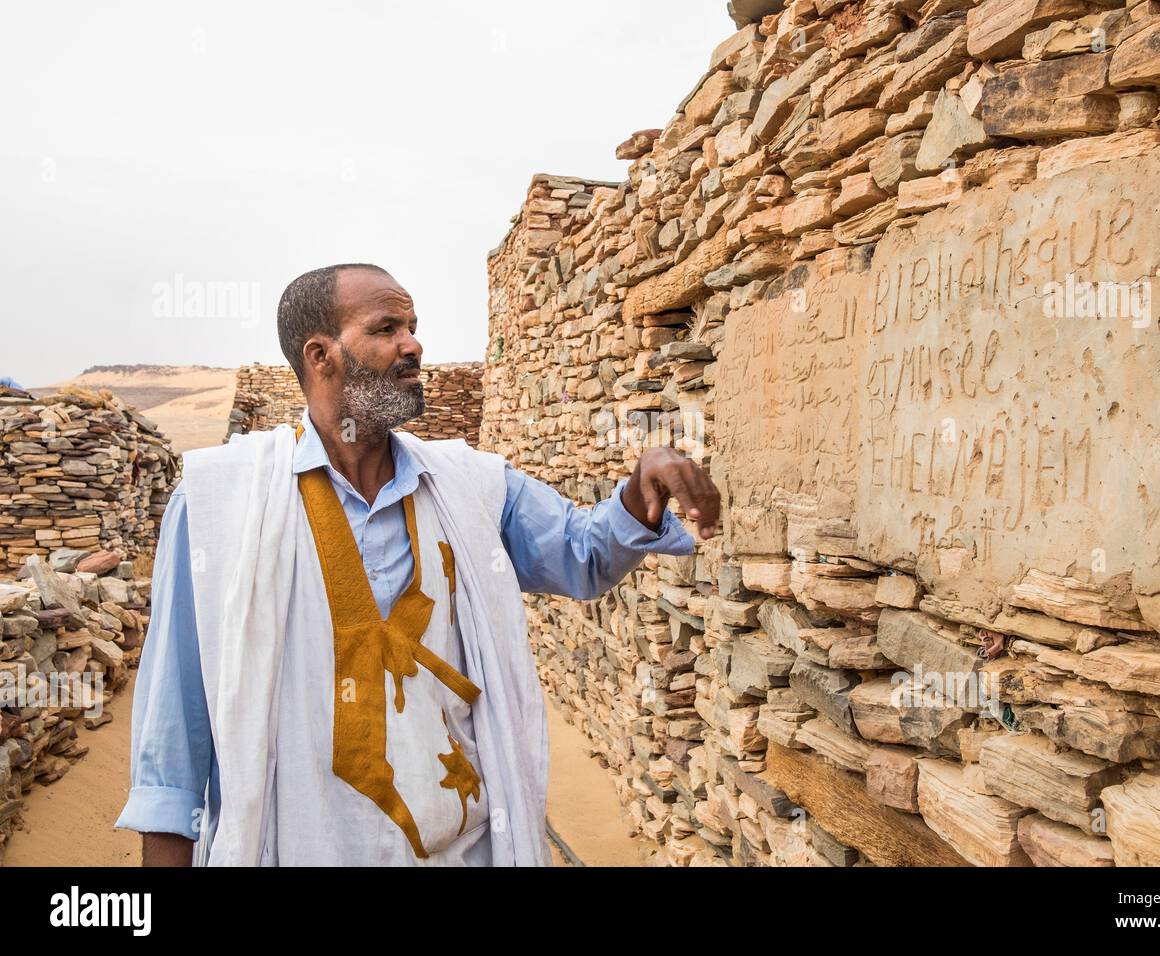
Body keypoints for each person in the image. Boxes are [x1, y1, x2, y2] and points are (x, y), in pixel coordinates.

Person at [114, 263, 721, 866]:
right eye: (386, 328)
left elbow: (583, 555)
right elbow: (176, 736)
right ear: (320, 356)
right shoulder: (221, 504)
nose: (413, 345)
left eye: (412, 325)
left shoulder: (469, 485)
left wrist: (642, 490)